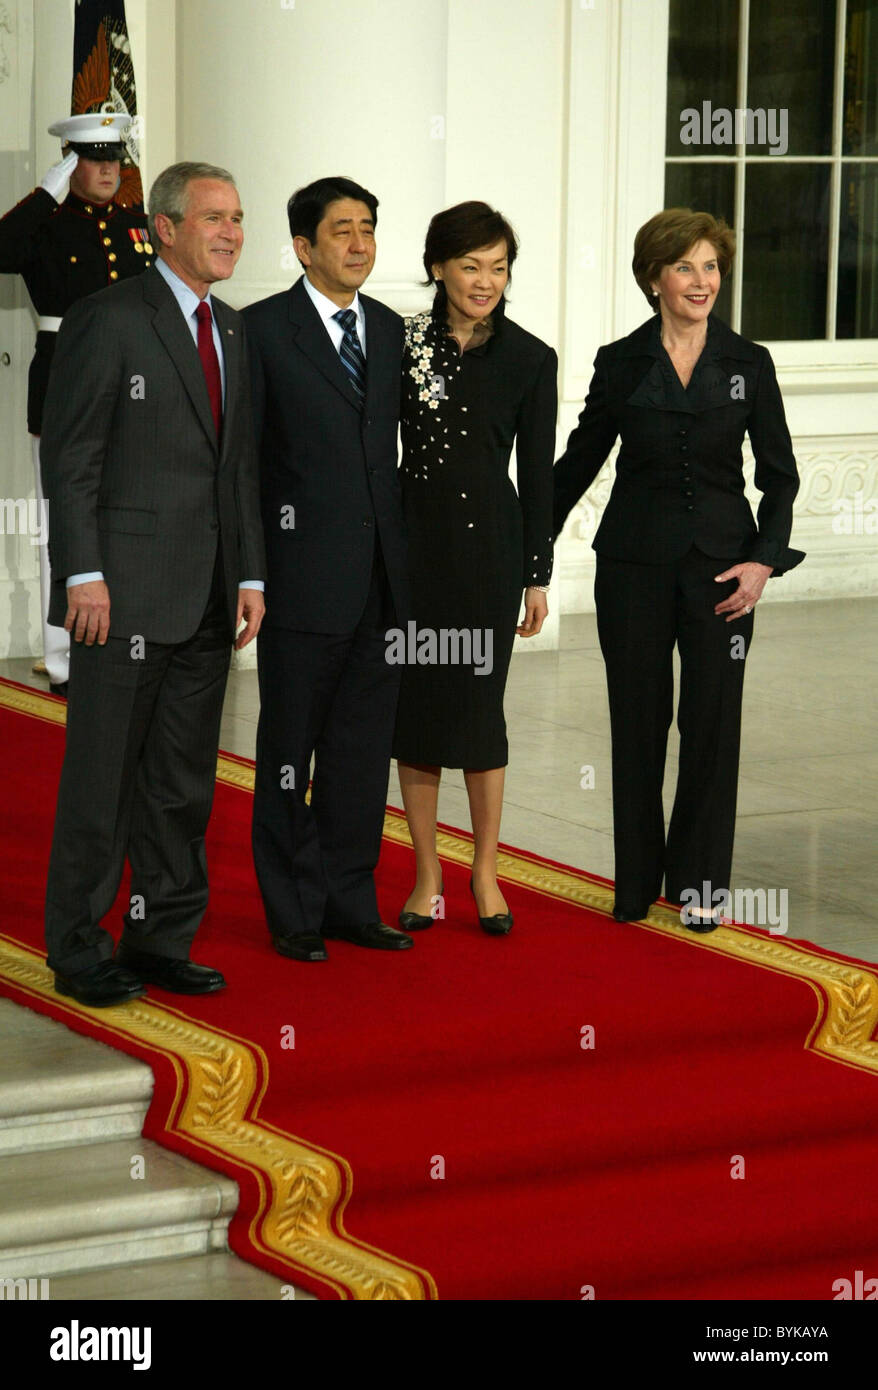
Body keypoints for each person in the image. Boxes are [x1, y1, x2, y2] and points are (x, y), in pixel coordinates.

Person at [40, 161, 265, 1007]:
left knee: (181, 783)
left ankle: (160, 935)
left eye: (238, 217)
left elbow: (237, 469)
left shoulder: (234, 332)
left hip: (208, 597)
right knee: (101, 780)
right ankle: (77, 945)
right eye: (214, 217)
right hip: (120, 596)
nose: (231, 231)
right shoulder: (109, 319)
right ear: (164, 228)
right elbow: (72, 458)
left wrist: (249, 573)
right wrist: (83, 573)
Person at [553, 208, 805, 931]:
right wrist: (522, 542)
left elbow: (780, 478)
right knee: (637, 725)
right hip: (631, 568)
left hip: (726, 574)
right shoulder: (622, 361)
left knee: (711, 726)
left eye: (712, 267)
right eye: (687, 267)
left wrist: (762, 562)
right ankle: (635, 884)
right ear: (654, 278)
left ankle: (700, 887)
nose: (703, 281)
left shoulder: (748, 363)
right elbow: (578, 464)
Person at [244, 176, 412, 962]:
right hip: (297, 583)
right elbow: (241, 468)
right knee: (288, 754)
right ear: (304, 246)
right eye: (342, 231)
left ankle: (351, 900)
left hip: (380, 586)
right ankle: (294, 912)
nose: (359, 244)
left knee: (357, 756)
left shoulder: (388, 328)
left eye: (368, 229)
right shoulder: (261, 332)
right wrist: (251, 575)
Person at [392, 201, 557, 936]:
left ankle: (485, 870)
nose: (485, 281)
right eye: (470, 266)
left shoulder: (530, 359)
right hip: (414, 554)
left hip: (491, 553)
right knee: (420, 715)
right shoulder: (401, 343)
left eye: (498, 267)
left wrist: (537, 572)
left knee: (481, 715)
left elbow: (541, 475)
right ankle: (427, 872)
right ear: (438, 267)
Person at [0, 113, 153, 696]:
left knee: (132, 515)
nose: (109, 168)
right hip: (66, 381)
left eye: (115, 156)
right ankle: (65, 656)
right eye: (93, 158)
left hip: (134, 384)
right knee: (63, 522)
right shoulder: (45, 224)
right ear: (70, 161)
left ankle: (126, 642)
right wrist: (45, 192)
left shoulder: (138, 225)